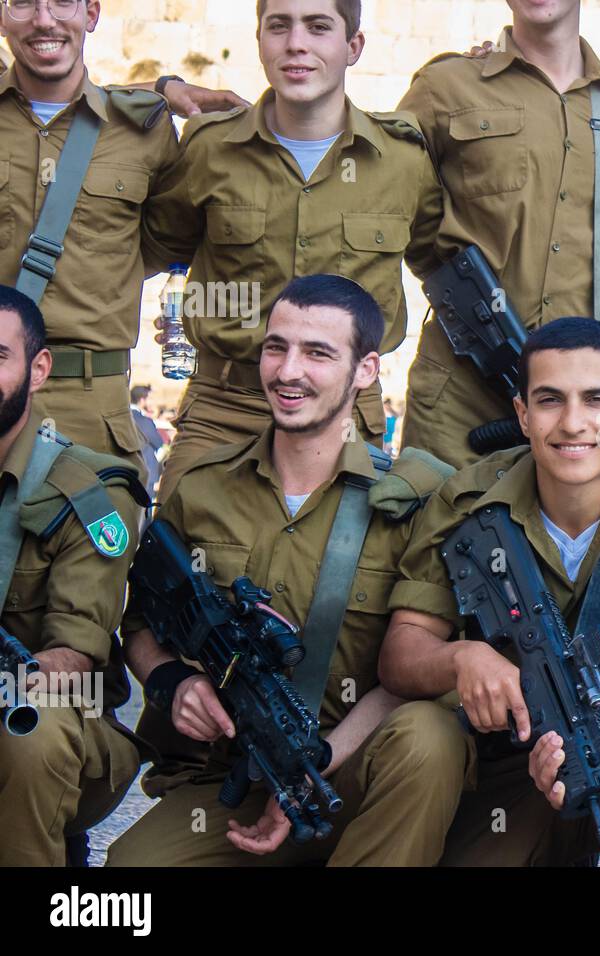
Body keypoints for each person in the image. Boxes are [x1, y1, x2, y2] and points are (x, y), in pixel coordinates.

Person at [107, 276, 472, 866]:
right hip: (235, 784)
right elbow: (142, 623)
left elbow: (414, 675)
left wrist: (319, 762)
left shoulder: (417, 501)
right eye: (276, 348)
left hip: (357, 780)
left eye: (318, 353)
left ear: (365, 370)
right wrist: (174, 682)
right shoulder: (202, 488)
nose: (287, 371)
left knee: (429, 737)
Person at [381, 317, 600, 865]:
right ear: (522, 414)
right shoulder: (466, 503)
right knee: (421, 727)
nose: (573, 423)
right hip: (502, 764)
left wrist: (583, 742)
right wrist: (462, 659)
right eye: (549, 400)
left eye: (596, 399)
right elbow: (401, 654)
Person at [142, 0, 441, 502]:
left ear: (354, 47)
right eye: (279, 26)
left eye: (319, 27)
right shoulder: (209, 149)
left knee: (339, 572)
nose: (296, 44)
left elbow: (445, 261)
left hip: (342, 416)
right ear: (259, 39)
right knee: (172, 565)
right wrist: (160, 88)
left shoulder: (402, 163)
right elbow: (149, 251)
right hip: (226, 410)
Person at [394, 0, 600, 467]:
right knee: (434, 531)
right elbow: (382, 196)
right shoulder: (447, 87)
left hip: (580, 401)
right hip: (462, 387)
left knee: (574, 539)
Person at [0, 0, 241, 466]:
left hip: (94, 411)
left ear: (92, 13)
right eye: (23, 2)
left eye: (62, 2)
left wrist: (104, 271)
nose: (44, 18)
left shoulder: (142, 128)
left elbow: (166, 242)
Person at [0, 284, 148, 866]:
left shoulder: (89, 494)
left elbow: (73, 662)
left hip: (57, 729)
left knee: (28, 732)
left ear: (38, 370)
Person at [130, 384, 163, 495]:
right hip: (145, 471)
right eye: (150, 398)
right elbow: (158, 442)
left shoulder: (123, 419)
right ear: (142, 400)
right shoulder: (144, 421)